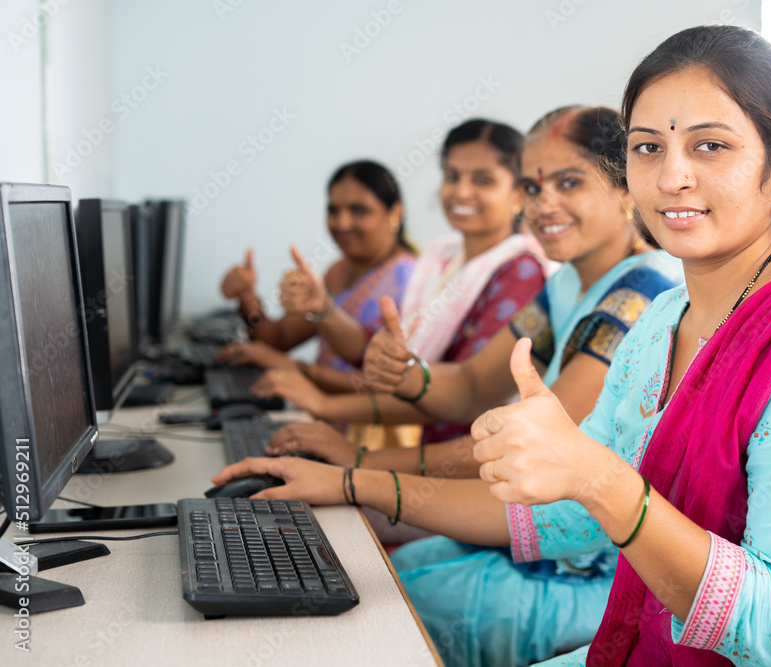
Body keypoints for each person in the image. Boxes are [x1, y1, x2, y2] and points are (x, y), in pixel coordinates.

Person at [465, 26, 771, 666]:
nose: (672, 177)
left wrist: (599, 477)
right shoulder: (662, 320)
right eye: (647, 148)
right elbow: (574, 515)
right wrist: (364, 489)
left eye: (710, 146)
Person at [212, 105, 683, 667]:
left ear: (627, 187)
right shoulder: (563, 291)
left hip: (594, 571)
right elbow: (470, 386)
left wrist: (356, 468)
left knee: (365, 606)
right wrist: (410, 376)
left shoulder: (638, 296)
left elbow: (544, 462)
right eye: (533, 187)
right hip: (532, 533)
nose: (542, 204)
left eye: (569, 182)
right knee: (363, 575)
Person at [254, 119, 549, 445]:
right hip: (429, 451)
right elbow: (382, 354)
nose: (461, 191)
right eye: (452, 176)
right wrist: (323, 307)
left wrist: (323, 401)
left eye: (482, 179)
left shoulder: (520, 272)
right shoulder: (445, 259)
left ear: (519, 194)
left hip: (472, 465)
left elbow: (462, 391)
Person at [216, 160, 417, 396]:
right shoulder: (339, 270)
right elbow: (277, 340)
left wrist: (291, 368)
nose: (342, 223)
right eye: (333, 210)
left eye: (358, 210)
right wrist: (248, 298)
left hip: (364, 427)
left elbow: (383, 386)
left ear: (395, 213)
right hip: (321, 415)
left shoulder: (411, 279)